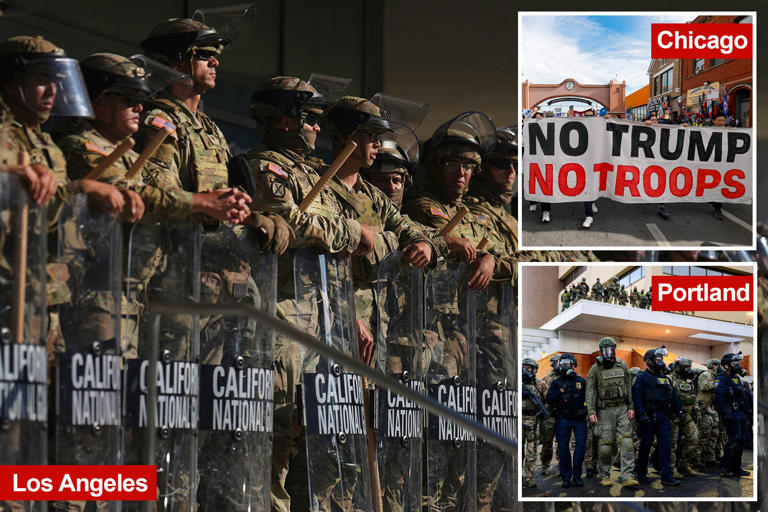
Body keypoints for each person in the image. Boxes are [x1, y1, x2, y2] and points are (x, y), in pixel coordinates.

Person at [585, 337, 638, 488]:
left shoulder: (622, 365)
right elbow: (590, 391)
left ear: (615, 349)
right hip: (605, 411)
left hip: (622, 408)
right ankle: (604, 475)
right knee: (605, 445)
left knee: (627, 442)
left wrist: (631, 406)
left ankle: (628, 476)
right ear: (601, 351)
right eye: (605, 350)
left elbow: (629, 387)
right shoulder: (595, 369)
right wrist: (591, 411)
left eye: (611, 349)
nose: (608, 352)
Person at [632, 347, 682, 486]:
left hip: (663, 416)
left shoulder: (665, 379)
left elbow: (674, 396)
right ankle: (641, 474)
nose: (661, 361)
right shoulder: (641, 378)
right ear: (649, 361)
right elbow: (636, 398)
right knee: (645, 446)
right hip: (647, 417)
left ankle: (666, 476)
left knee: (665, 446)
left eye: (662, 358)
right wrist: (641, 415)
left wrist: (680, 411)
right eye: (658, 358)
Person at [546, 353, 587, 488]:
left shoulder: (581, 381)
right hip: (563, 418)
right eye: (562, 363)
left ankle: (577, 476)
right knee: (563, 448)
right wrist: (560, 391)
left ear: (574, 365)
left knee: (580, 447)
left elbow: (589, 398)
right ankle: (566, 477)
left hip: (580, 419)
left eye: (568, 363)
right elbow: (549, 399)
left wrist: (588, 412)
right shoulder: (556, 382)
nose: (565, 365)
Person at [714, 352, 750, 477]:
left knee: (741, 441)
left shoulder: (737, 378)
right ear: (725, 365)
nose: (737, 365)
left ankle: (737, 467)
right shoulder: (721, 378)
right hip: (730, 413)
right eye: (734, 363)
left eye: (737, 362)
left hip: (740, 413)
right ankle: (725, 466)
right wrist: (724, 412)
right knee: (734, 440)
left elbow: (743, 396)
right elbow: (719, 397)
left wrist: (748, 411)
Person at [670, 357, 699, 477]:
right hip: (673, 416)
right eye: (686, 368)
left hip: (687, 415)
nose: (689, 370)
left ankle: (684, 463)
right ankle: (671, 469)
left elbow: (694, 396)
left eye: (689, 367)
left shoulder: (689, 382)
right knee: (672, 444)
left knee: (694, 438)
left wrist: (696, 410)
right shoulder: (670, 380)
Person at [522, 358, 548, 488]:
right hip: (518, 420)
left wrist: (539, 412)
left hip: (533, 421)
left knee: (531, 451)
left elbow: (548, 401)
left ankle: (529, 478)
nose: (526, 370)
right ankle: (516, 477)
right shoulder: (515, 382)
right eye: (524, 367)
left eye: (529, 368)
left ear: (535, 370)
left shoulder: (540, 384)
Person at [539, 353, 561, 475]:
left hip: (562, 414)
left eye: (560, 362)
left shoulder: (565, 378)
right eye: (556, 362)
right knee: (547, 442)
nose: (558, 365)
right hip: (549, 415)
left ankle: (561, 463)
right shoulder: (545, 379)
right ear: (553, 364)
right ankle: (545, 465)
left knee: (562, 442)